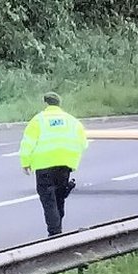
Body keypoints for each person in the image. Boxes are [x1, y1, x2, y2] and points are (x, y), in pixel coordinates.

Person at [20, 92, 87, 237]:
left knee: (48, 199)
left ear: (45, 104)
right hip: (65, 165)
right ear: (58, 104)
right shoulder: (71, 120)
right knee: (59, 197)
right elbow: (83, 142)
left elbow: (27, 142)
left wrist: (25, 162)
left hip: (44, 165)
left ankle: (54, 234)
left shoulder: (38, 120)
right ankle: (58, 229)